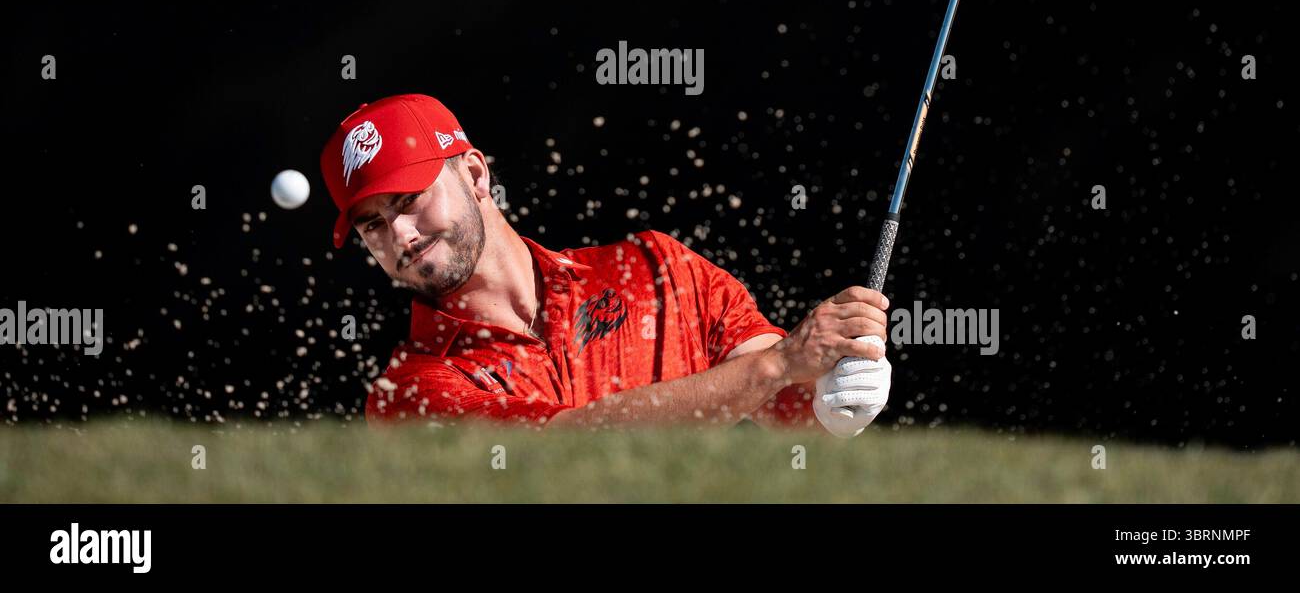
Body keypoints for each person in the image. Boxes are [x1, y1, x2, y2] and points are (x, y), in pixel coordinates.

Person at [319, 93, 891, 435]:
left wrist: (835, 402)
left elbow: (783, 411)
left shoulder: (655, 268)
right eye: (372, 224)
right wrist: (781, 363)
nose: (398, 234)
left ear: (473, 175)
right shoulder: (407, 393)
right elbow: (570, 449)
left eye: (408, 200)